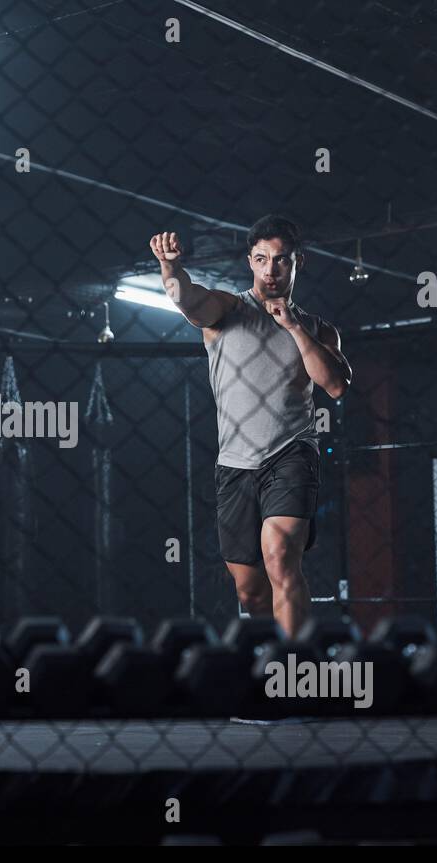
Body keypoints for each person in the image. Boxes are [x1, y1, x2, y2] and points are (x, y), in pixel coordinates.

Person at [150, 215, 351, 638]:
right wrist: (171, 269)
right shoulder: (229, 310)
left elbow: (334, 385)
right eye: (261, 260)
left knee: (280, 557)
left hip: (292, 454)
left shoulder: (318, 330)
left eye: (280, 260)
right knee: (251, 594)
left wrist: (292, 326)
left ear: (298, 262)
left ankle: (295, 674)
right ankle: (265, 658)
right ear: (250, 262)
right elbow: (189, 300)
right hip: (235, 465)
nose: (271, 270)